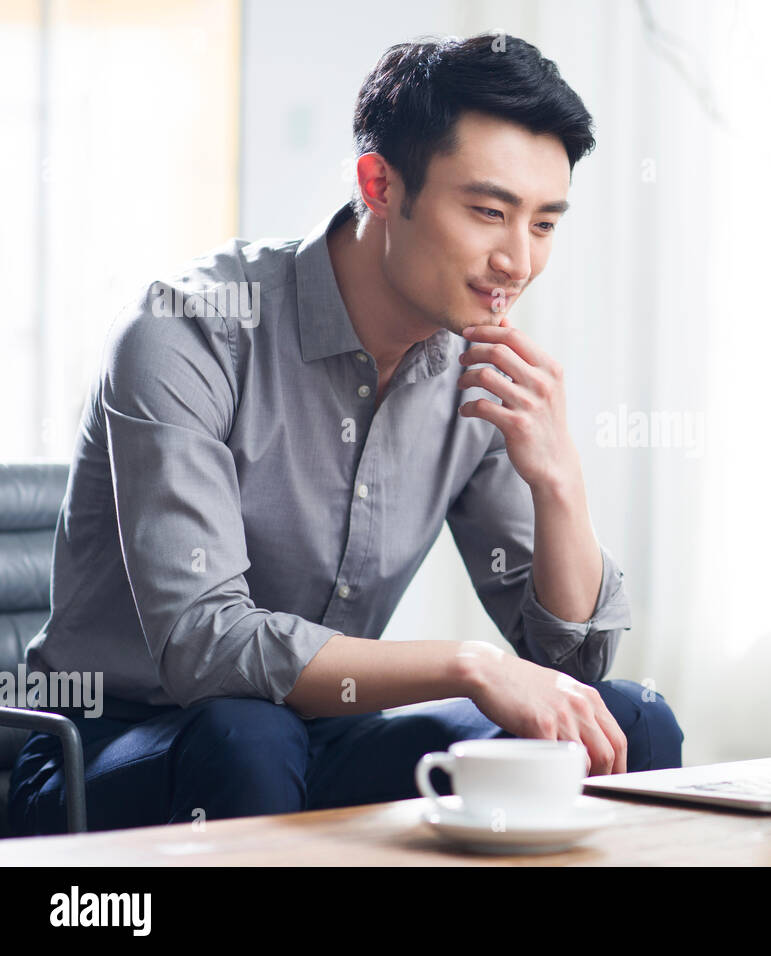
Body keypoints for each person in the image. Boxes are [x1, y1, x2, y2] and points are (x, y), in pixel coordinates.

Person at [9, 32, 682, 836]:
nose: (518, 260)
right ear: (379, 185)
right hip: (107, 746)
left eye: (543, 224)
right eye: (489, 212)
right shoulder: (187, 330)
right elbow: (205, 647)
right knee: (247, 733)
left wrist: (559, 481)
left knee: (627, 720)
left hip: (316, 739)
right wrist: (469, 666)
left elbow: (570, 666)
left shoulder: (479, 369)